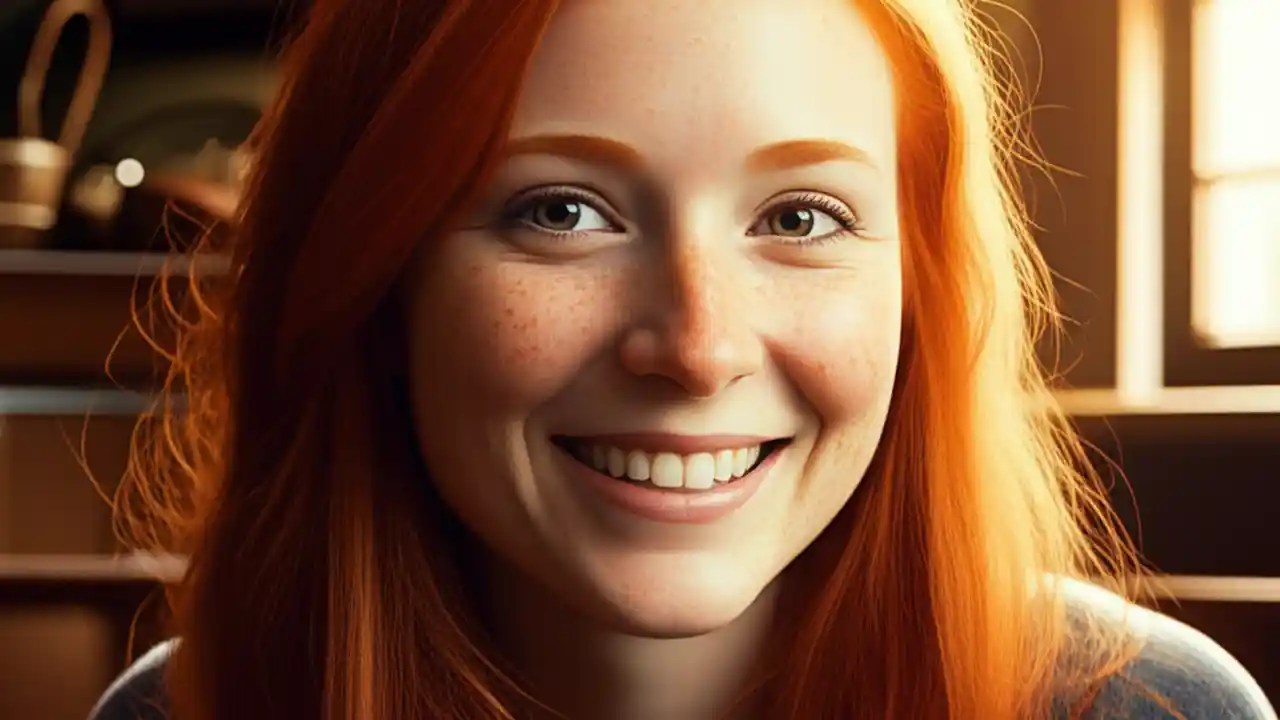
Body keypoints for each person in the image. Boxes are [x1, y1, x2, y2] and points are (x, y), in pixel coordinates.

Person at [88, 0, 1277, 718]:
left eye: (800, 217)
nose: (699, 350)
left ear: (918, 294)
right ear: (376, 285)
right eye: (560, 212)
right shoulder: (185, 715)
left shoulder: (1151, 713)